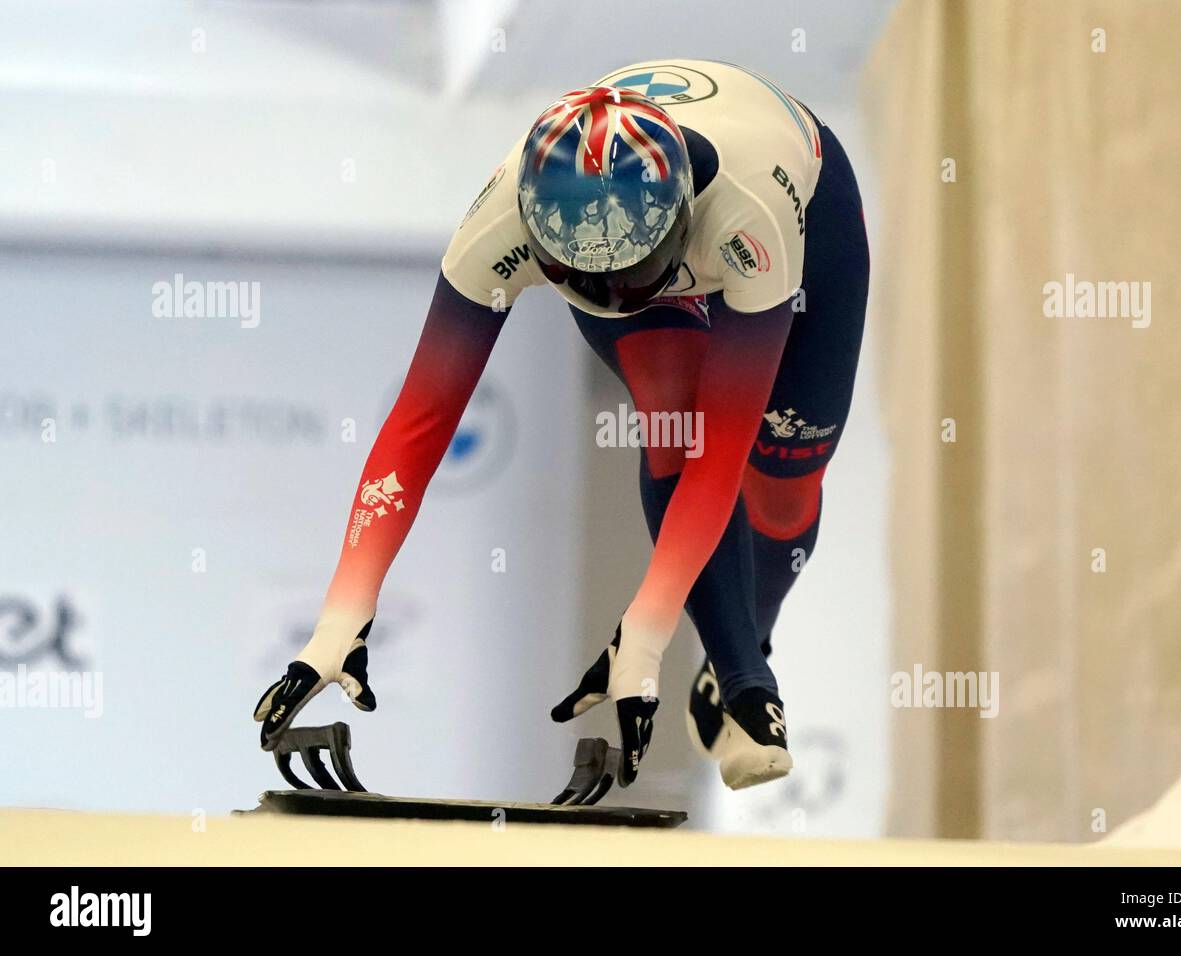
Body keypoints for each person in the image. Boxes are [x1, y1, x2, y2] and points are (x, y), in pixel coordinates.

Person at [254, 59, 869, 792]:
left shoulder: (747, 217)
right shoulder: (500, 222)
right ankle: (746, 685)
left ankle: (745, 647)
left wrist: (644, 633)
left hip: (809, 209)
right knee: (671, 418)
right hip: (641, 242)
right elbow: (421, 418)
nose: (608, 297)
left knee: (782, 480)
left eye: (625, 282)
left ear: (677, 231)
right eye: (581, 283)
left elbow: (721, 455)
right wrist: (341, 614)